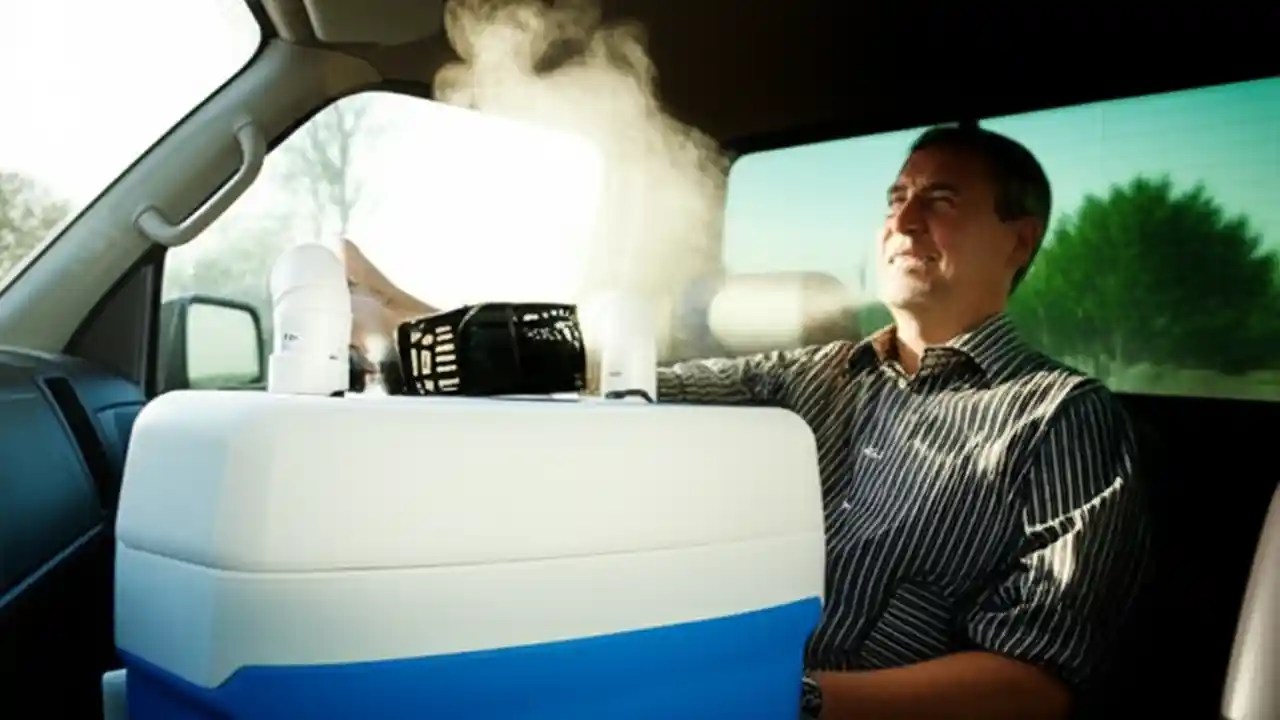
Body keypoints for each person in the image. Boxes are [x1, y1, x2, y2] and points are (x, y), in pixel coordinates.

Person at [655, 125, 1151, 719]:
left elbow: (1034, 682)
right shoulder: (804, 376)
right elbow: (630, 395)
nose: (905, 221)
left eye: (941, 201)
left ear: (1019, 242)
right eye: (896, 200)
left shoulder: (1062, 417)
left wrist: (780, 701)